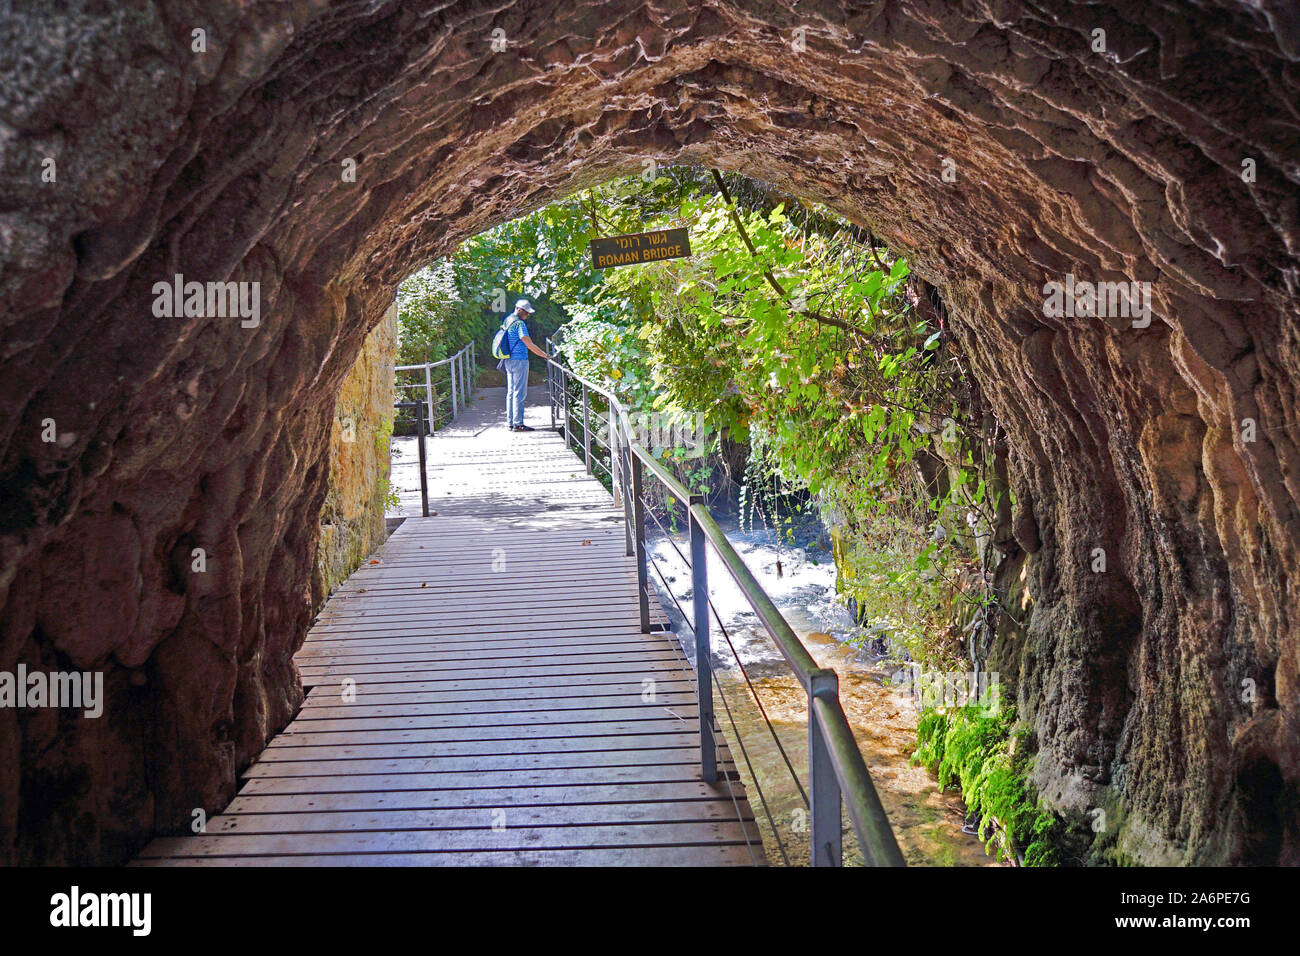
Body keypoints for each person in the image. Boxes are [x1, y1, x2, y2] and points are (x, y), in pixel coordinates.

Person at [501, 298, 549, 431]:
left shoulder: (508, 320)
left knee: (511, 392)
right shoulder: (519, 324)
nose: (528, 315)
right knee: (519, 393)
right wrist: (544, 355)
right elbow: (528, 343)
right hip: (520, 360)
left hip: (508, 360)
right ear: (519, 310)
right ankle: (518, 424)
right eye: (527, 313)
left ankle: (511, 422)